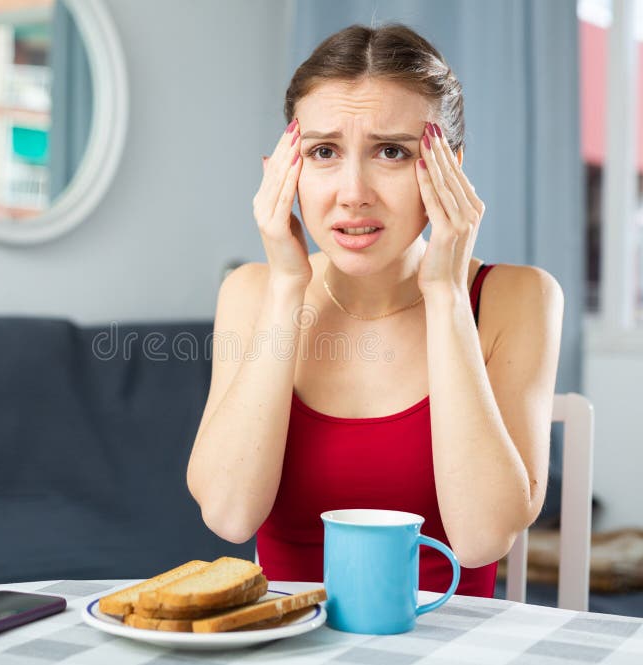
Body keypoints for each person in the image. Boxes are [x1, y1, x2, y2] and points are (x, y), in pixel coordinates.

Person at [186, 23, 563, 597]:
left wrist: (444, 294)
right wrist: (289, 285)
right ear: (287, 168)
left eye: (391, 152)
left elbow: (483, 538)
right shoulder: (251, 291)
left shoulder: (519, 296)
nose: (352, 191)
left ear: (449, 170)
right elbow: (230, 516)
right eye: (323, 152)